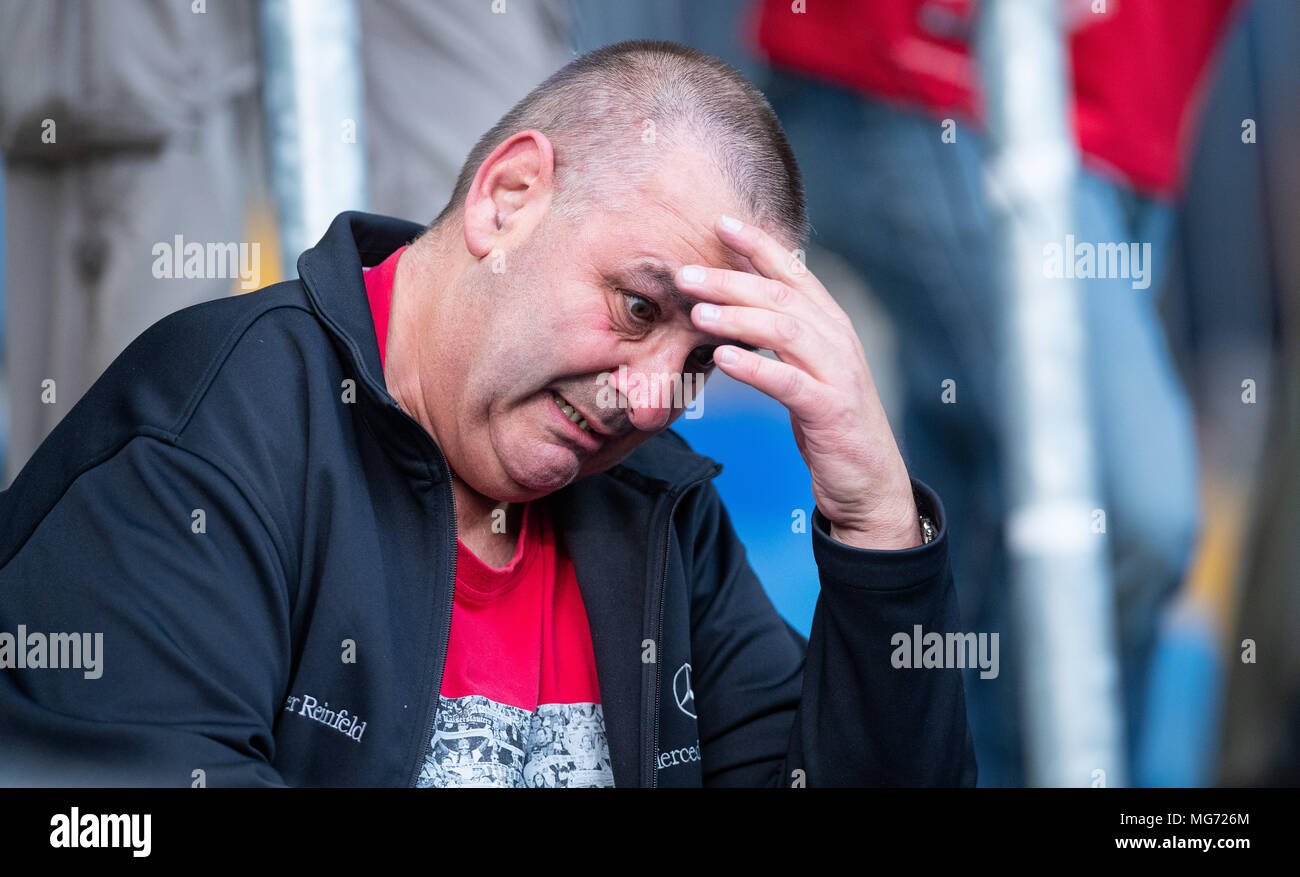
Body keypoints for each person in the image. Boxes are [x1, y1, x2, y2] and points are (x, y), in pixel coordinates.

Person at [0, 41, 975, 787]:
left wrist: (878, 528)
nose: (651, 398)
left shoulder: (659, 506)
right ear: (508, 198)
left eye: (703, 356)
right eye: (637, 308)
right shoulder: (214, 433)